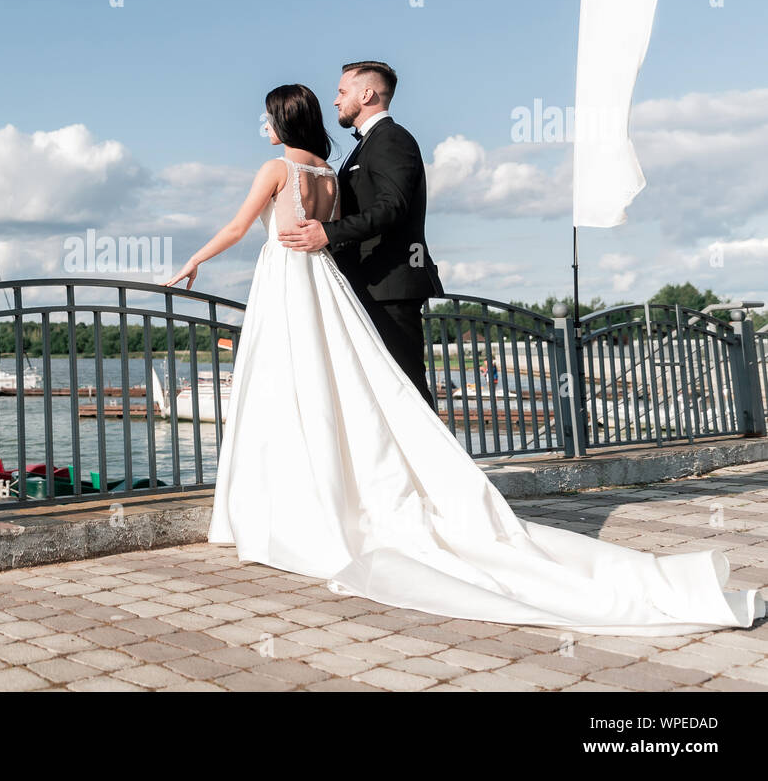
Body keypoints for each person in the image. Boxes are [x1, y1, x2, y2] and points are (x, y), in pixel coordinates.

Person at [162, 81, 764, 635]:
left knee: (284, 390)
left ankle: (284, 512)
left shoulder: (279, 167)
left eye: (266, 118)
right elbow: (343, 227)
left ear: (281, 120)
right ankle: (322, 502)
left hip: (286, 280)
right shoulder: (330, 172)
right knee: (331, 387)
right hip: (323, 281)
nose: (261, 127)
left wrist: (193, 262)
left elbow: (242, 228)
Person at [277, 62, 443, 407]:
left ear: (366, 94)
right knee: (383, 389)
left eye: (342, 92)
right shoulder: (368, 144)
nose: (335, 101)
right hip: (370, 284)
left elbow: (391, 206)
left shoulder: (392, 138)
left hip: (389, 287)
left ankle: (436, 462)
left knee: (406, 386)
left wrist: (328, 232)